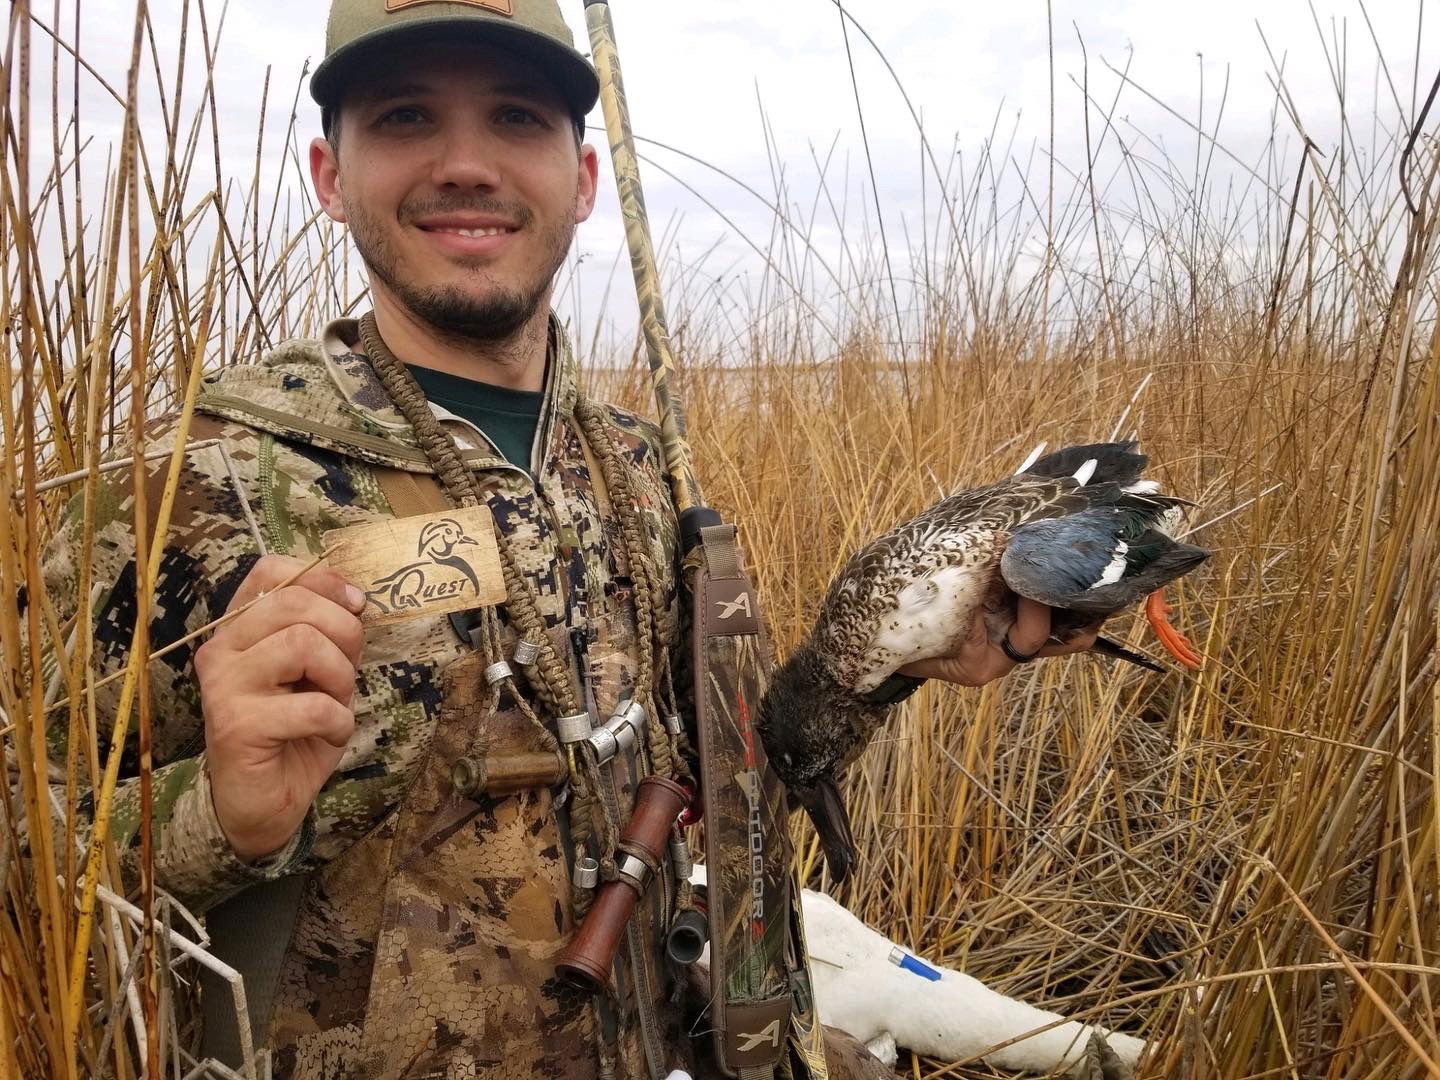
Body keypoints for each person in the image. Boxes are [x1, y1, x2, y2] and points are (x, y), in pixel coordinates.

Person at [44, 1, 1098, 1076]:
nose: (465, 163)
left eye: (515, 118)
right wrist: (214, 814)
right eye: (407, 117)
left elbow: (725, 796)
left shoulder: (645, 468)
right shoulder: (191, 481)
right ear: (329, 175)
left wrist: (883, 669)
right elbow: (32, 874)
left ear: (583, 179)